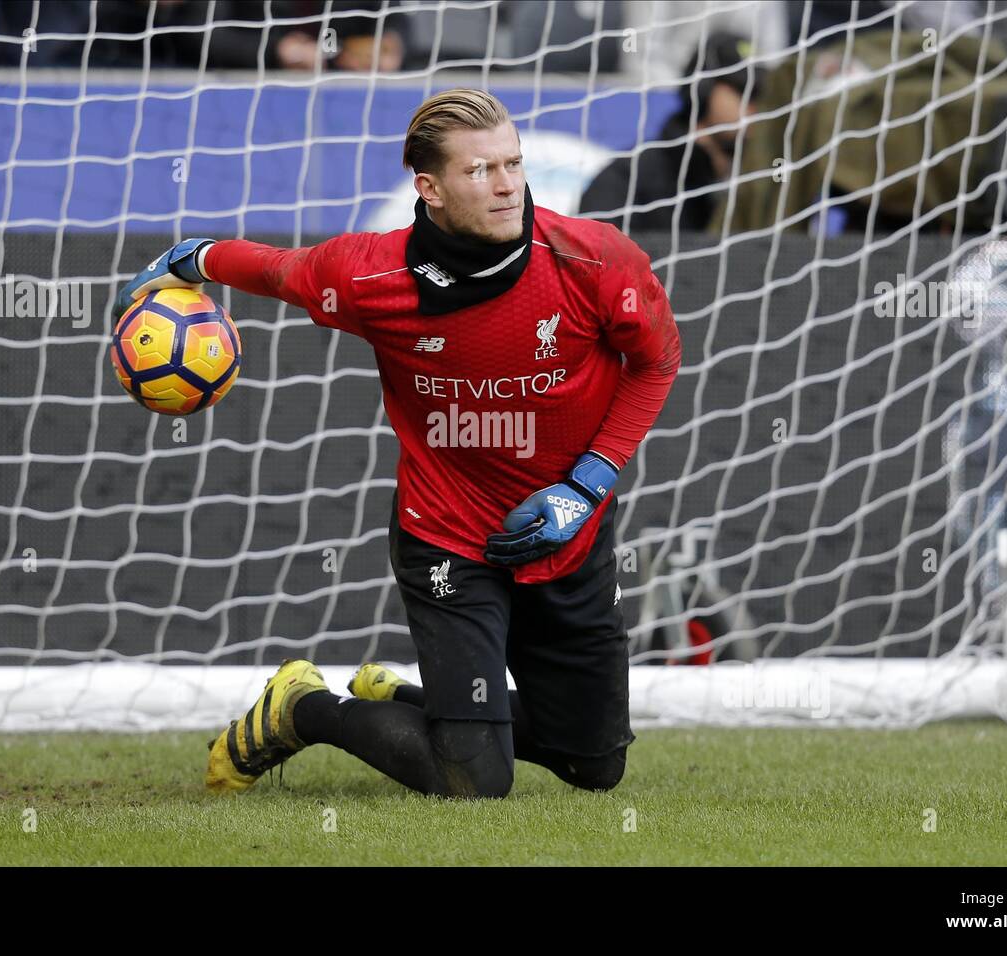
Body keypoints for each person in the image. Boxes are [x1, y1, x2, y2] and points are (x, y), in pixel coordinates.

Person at [111, 88, 681, 799]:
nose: (507, 185)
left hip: (570, 529)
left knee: (594, 765)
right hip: (448, 538)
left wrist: (586, 483)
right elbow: (278, 270)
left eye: (514, 164)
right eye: (480, 171)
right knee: (474, 781)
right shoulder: (368, 275)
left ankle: (406, 700)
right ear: (429, 188)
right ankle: (302, 708)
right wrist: (192, 258)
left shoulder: (597, 261)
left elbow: (656, 361)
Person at [579, 33, 759, 234]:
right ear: (702, 88)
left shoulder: (759, 181)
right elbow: (589, 254)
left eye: (761, 93)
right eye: (745, 91)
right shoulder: (630, 179)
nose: (755, 105)